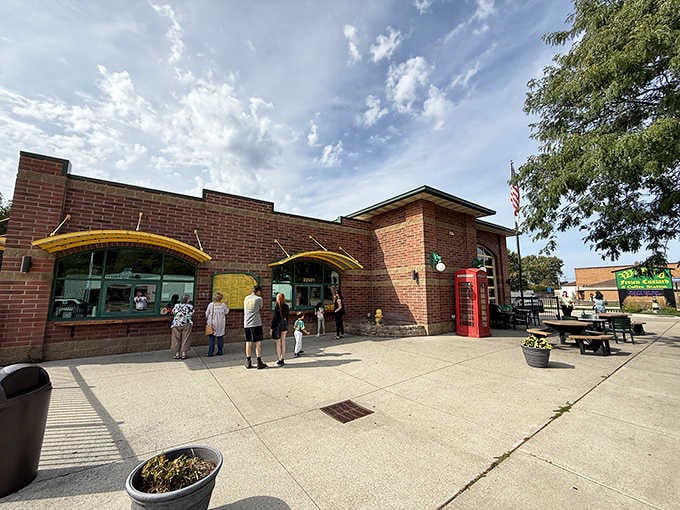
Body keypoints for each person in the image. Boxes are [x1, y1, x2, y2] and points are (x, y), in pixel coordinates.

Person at [243, 286, 267, 369]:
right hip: (256, 323)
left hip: (246, 323)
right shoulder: (259, 299)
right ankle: (259, 362)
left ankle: (248, 361)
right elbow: (260, 307)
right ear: (258, 291)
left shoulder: (246, 298)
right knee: (258, 343)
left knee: (248, 342)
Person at [170, 294, 193, 360]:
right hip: (186, 323)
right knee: (185, 338)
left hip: (176, 323)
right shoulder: (190, 306)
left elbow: (173, 312)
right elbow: (191, 313)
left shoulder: (176, 305)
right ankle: (183, 354)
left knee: (176, 338)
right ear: (187, 300)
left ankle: (177, 354)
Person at [205, 292, 229, 356]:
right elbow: (226, 312)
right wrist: (227, 305)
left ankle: (210, 352)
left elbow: (207, 314)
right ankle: (220, 351)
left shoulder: (211, 305)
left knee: (212, 338)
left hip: (212, 323)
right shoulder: (223, 305)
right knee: (220, 337)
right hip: (221, 323)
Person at [271, 292, 289, 366]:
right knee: (283, 342)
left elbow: (275, 319)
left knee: (278, 343)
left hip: (277, 325)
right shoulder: (286, 306)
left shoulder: (277, 307)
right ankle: (283, 358)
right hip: (284, 324)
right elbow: (287, 317)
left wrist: (272, 328)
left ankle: (279, 359)